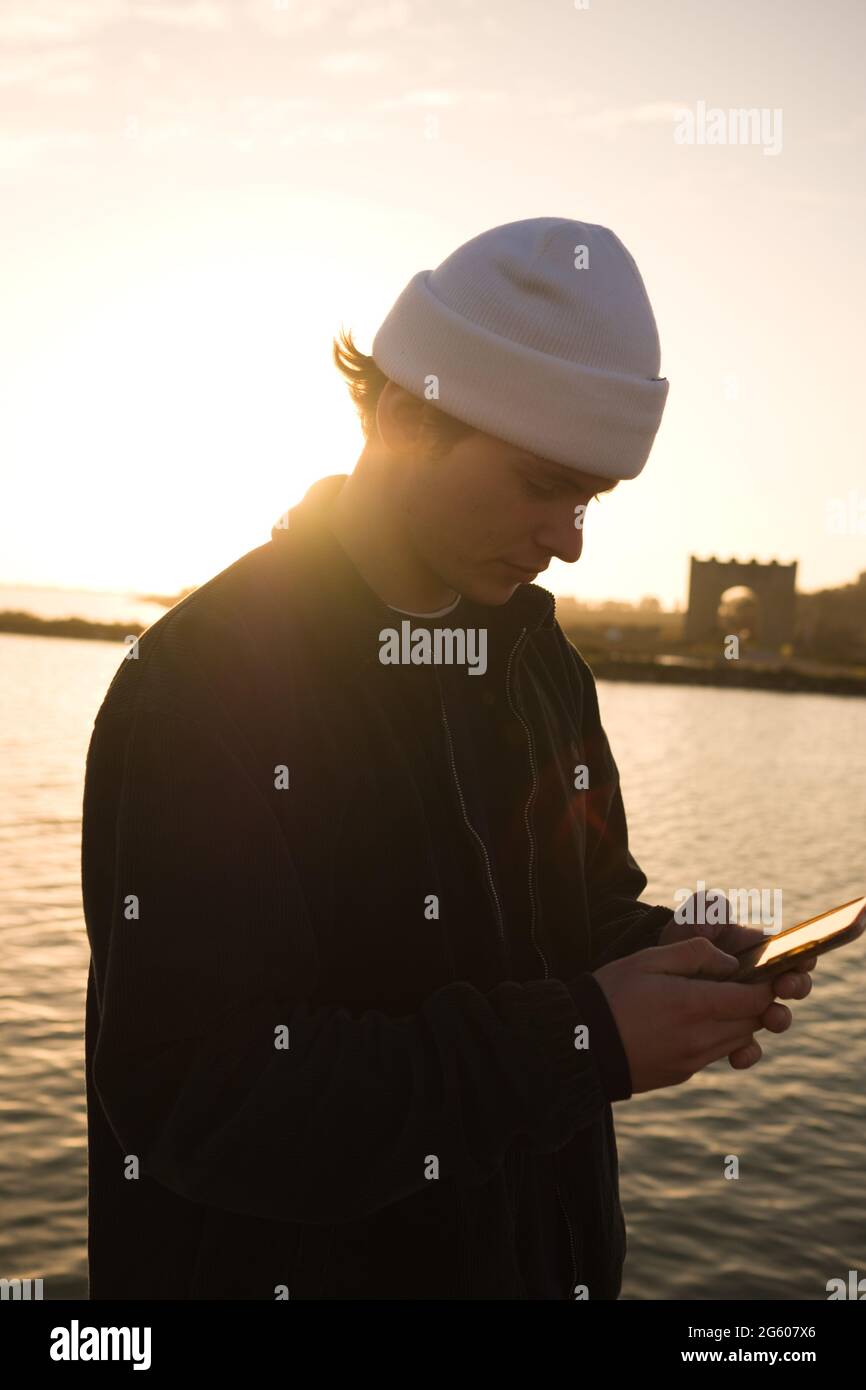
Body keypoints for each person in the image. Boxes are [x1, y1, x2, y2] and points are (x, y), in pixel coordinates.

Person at [81, 216, 815, 1300]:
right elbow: (203, 1098)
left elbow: (579, 918)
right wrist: (581, 1040)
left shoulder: (537, 661)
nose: (568, 538)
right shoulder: (202, 683)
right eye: (539, 484)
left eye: (589, 497)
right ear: (398, 414)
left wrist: (670, 958)